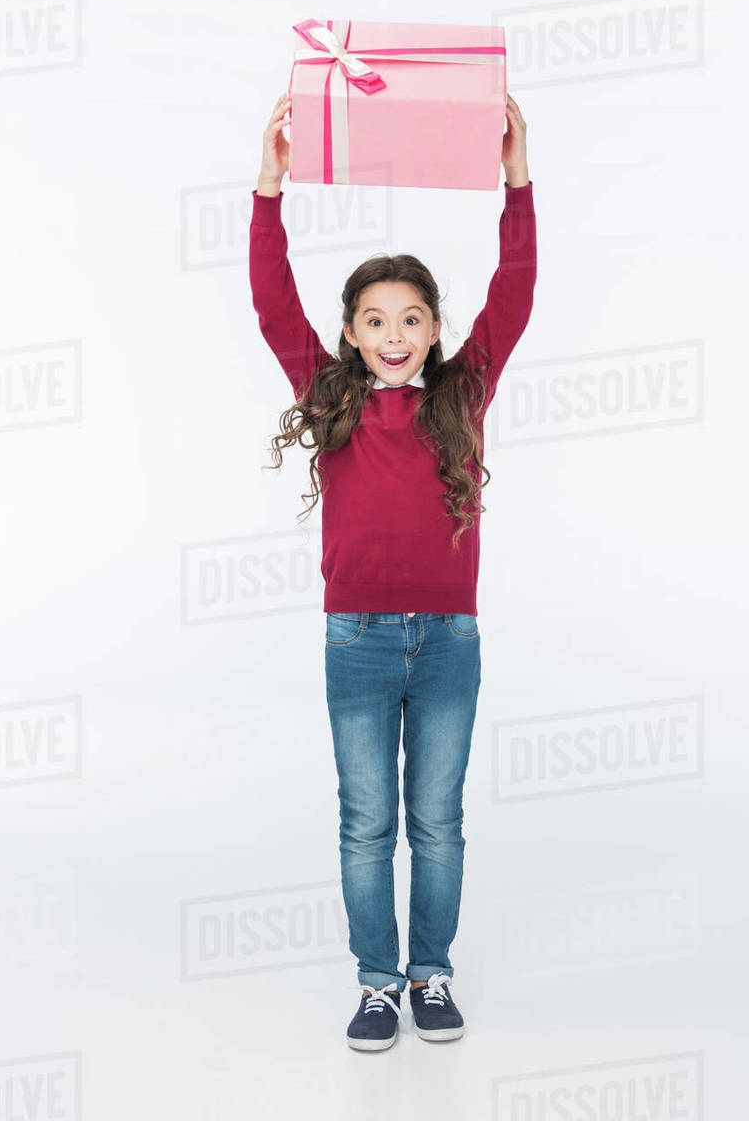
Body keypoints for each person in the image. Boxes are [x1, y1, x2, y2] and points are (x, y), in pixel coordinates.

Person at [249, 91, 537, 1051]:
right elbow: (268, 299)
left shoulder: (464, 391)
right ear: (352, 333)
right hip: (358, 642)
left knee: (438, 825)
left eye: (412, 316)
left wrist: (516, 178)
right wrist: (269, 189)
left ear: (434, 327)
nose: (396, 333)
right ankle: (377, 980)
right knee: (367, 822)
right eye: (376, 319)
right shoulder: (329, 397)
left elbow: (517, 287)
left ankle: (431, 973)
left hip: (448, 642)